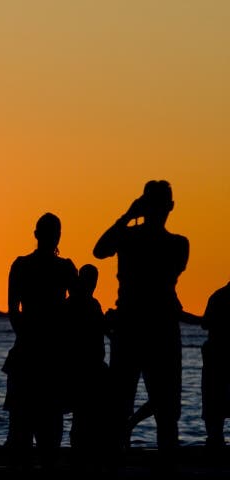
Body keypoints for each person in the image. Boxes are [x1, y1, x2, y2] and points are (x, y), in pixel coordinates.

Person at [94, 180, 189, 451]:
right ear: (171, 207)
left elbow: (101, 250)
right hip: (158, 329)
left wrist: (126, 217)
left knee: (126, 406)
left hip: (133, 328)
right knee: (166, 411)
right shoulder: (178, 244)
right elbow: (100, 251)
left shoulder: (133, 238)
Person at [4, 213, 77, 469]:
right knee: (48, 434)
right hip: (50, 355)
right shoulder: (64, 268)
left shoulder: (22, 266)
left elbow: (13, 311)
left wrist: (25, 334)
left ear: (36, 234)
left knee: (22, 431)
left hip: (30, 351)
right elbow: (76, 310)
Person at [64, 264, 108, 456]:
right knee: (82, 414)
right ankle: (80, 452)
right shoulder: (76, 304)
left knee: (86, 415)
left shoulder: (93, 304)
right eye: (90, 279)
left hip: (93, 366)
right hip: (81, 367)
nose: (93, 284)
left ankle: (83, 451)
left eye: (95, 279)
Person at [201, 282, 230, 448]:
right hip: (219, 353)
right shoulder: (218, 296)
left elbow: (205, 324)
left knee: (213, 397)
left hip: (215, 353)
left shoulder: (217, 296)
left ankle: (214, 438)